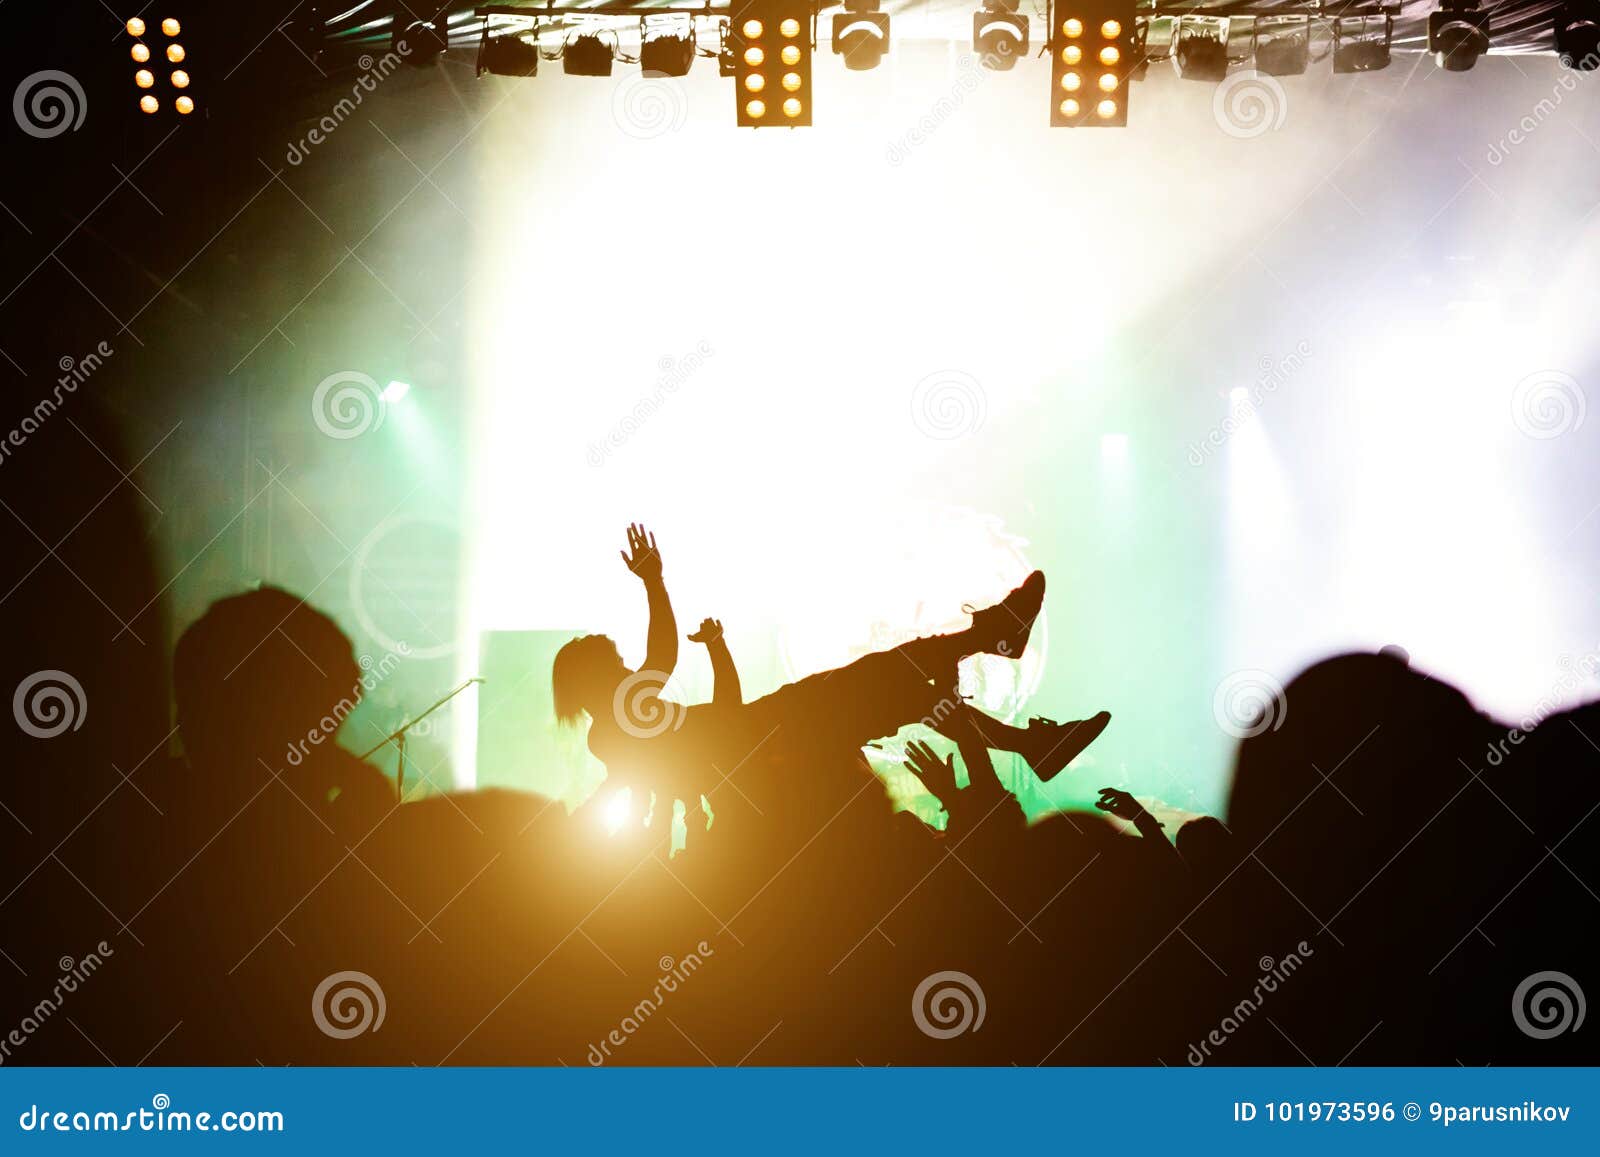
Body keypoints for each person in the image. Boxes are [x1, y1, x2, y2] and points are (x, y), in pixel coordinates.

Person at [552, 524, 1111, 816]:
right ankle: (995, 637)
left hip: (774, 735)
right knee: (894, 674)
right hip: (782, 738)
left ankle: (1027, 736)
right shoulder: (620, 727)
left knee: (903, 689)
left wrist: (719, 649)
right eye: (616, 662)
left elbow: (724, 713)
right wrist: (653, 582)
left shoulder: (625, 730)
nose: (631, 666)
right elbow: (665, 660)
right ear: (594, 681)